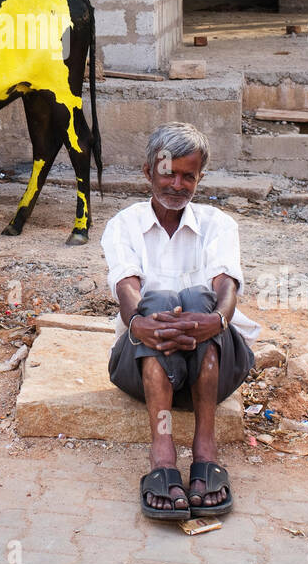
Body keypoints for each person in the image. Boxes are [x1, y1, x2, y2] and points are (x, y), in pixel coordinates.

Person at [101, 122, 258, 521]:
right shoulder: (124, 224)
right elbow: (126, 288)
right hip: (146, 369)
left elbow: (226, 284)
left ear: (199, 178)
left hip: (215, 365)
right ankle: (163, 452)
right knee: (154, 302)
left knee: (199, 299)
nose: (177, 184)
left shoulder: (217, 223)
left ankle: (205, 448)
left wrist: (218, 320)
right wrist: (140, 323)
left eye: (189, 175)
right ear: (147, 171)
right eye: (168, 172)